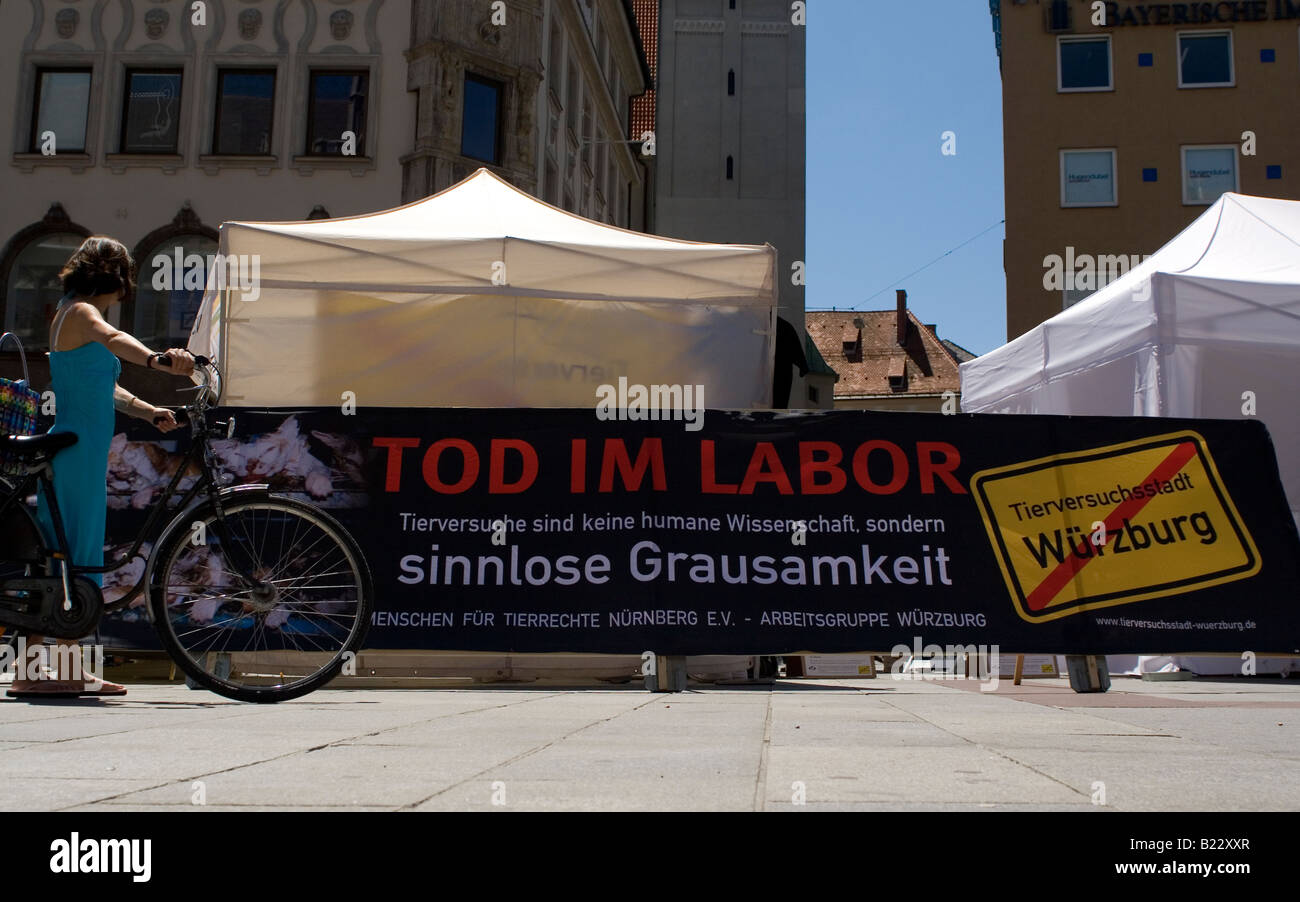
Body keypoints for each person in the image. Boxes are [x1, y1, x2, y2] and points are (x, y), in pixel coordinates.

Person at [7, 236, 195, 698]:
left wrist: (149, 410)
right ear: (111, 282)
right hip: (77, 450)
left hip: (82, 449)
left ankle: (59, 668)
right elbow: (113, 339)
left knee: (63, 555)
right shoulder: (80, 314)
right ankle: (45, 671)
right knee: (75, 555)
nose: (119, 300)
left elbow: (103, 388)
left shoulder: (74, 319)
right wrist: (157, 359)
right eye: (121, 289)